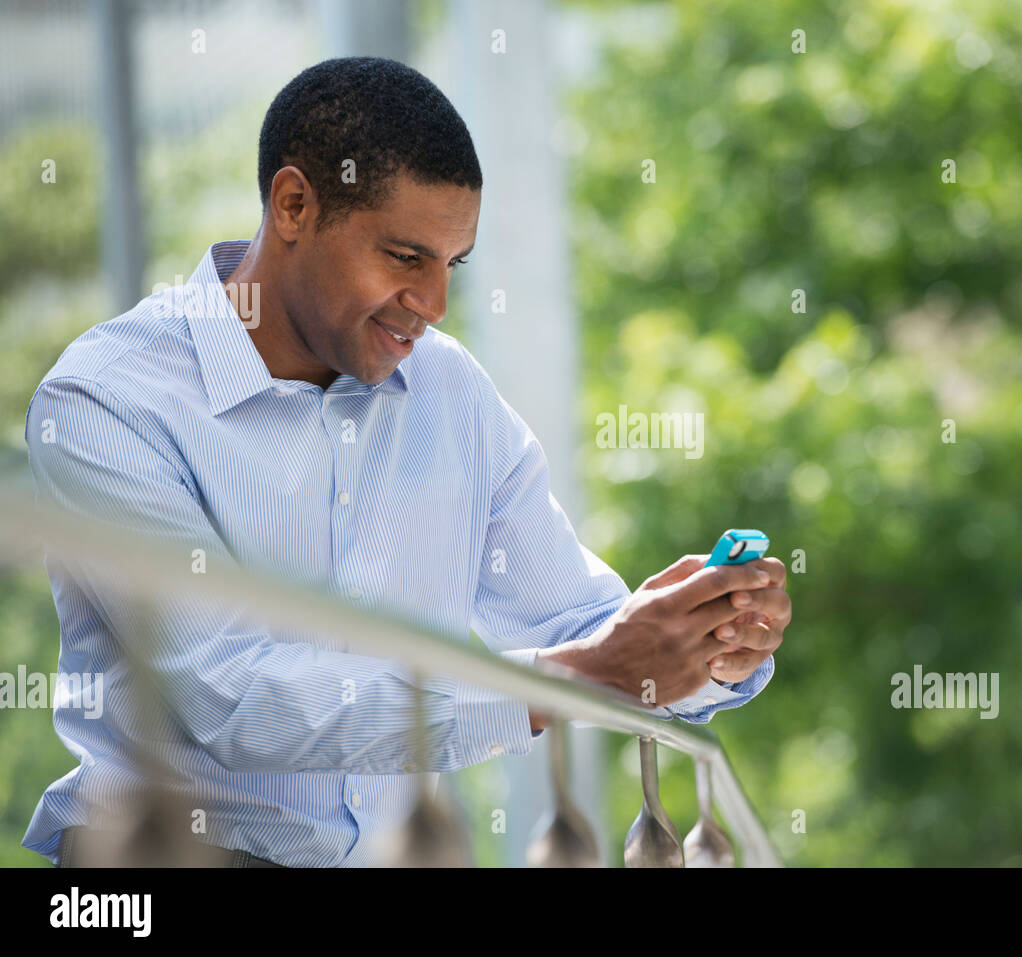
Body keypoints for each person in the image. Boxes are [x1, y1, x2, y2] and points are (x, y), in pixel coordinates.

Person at [22, 56, 789, 867]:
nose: (433, 305)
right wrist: (583, 671)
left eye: (451, 265)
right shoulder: (107, 402)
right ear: (294, 205)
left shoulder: (449, 390)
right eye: (404, 257)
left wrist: (706, 642)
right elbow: (236, 701)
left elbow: (572, 626)